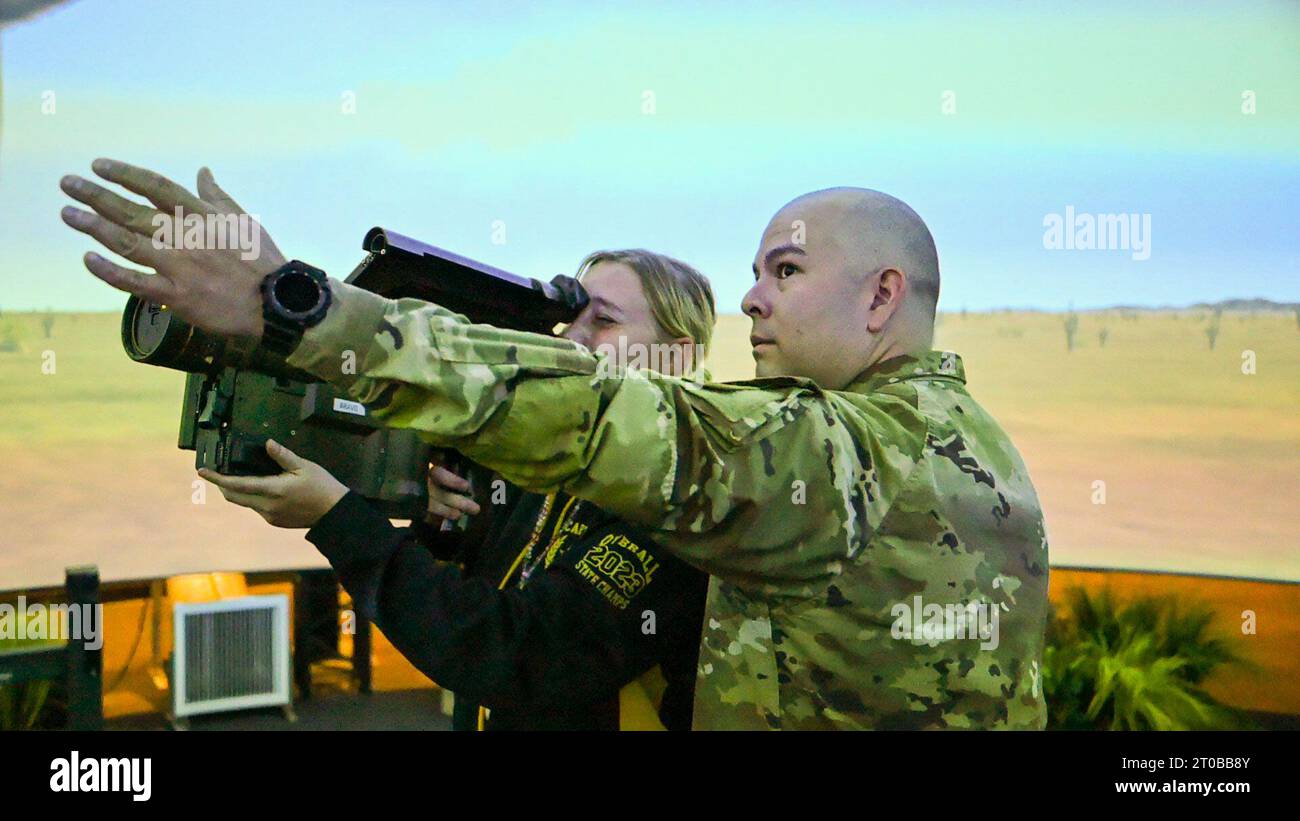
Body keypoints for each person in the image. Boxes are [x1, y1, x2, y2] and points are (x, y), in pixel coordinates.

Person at [60, 160, 1050, 729]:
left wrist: (299, 310)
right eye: (754, 270)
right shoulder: (960, 437)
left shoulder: (845, 454)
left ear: (882, 294)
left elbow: (529, 644)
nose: (753, 295)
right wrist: (454, 525)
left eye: (785, 271)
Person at [216, 250, 715, 731]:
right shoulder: (546, 460)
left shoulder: (683, 493)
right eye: (570, 321)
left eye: (604, 322)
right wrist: (436, 523)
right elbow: (454, 614)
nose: (571, 340)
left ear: (678, 355)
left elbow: (515, 657)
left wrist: (338, 520)